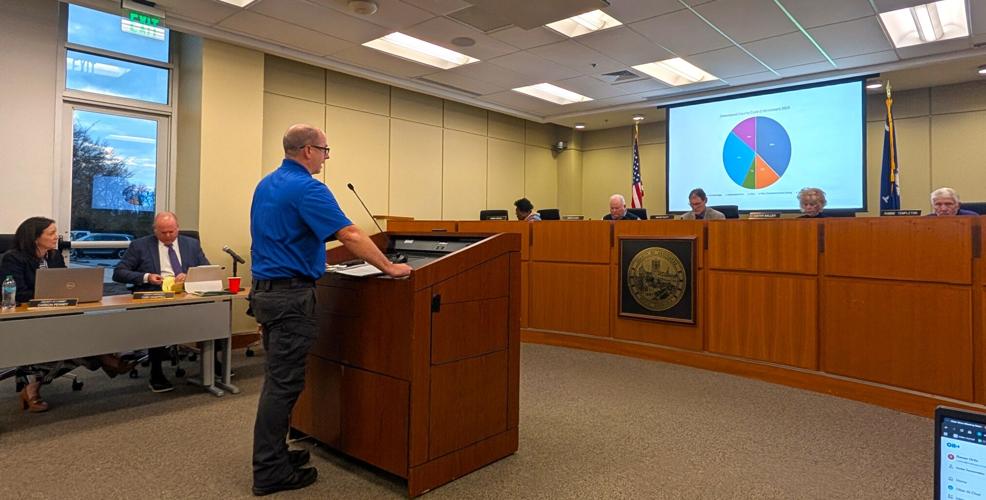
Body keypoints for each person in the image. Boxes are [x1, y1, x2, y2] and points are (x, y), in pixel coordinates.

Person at [249, 124, 412, 496]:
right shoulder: (308, 188)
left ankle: (274, 455)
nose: (326, 156)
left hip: (267, 294)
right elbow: (350, 235)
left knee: (278, 381)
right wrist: (389, 267)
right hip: (290, 298)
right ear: (308, 150)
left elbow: (292, 232)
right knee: (283, 385)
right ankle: (269, 471)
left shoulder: (268, 184)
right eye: (325, 150)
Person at [0, 217, 133, 412]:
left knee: (78, 336)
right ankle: (105, 357)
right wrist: (49, 293)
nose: (57, 237)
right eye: (51, 233)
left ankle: (32, 387)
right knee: (74, 342)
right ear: (35, 237)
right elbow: (18, 293)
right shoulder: (14, 257)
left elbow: (65, 282)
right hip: (27, 315)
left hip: (58, 311)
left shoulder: (53, 256)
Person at [112, 211, 210, 393]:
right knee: (158, 319)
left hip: (186, 294)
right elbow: (119, 273)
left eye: (172, 232)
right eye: (163, 232)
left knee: (214, 311)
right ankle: (156, 372)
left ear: (178, 228)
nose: (168, 236)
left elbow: (206, 268)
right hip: (155, 295)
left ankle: (213, 366)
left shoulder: (192, 244)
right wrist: (147, 277)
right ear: (155, 230)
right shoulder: (140, 246)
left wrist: (190, 276)